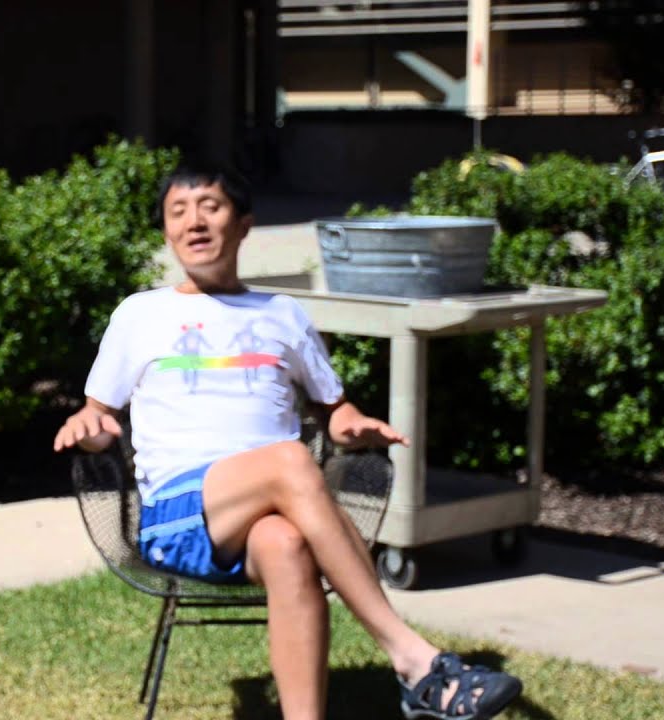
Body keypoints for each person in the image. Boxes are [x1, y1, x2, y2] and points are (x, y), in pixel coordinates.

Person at [53, 163, 522, 720]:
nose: (194, 222)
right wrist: (88, 429)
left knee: (287, 545)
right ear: (166, 232)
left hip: (262, 516)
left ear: (244, 224)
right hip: (176, 519)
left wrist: (350, 425)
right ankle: (412, 658)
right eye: (178, 212)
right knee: (291, 461)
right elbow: (98, 413)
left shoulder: (282, 314)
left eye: (210, 207)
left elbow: (334, 409)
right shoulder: (141, 313)